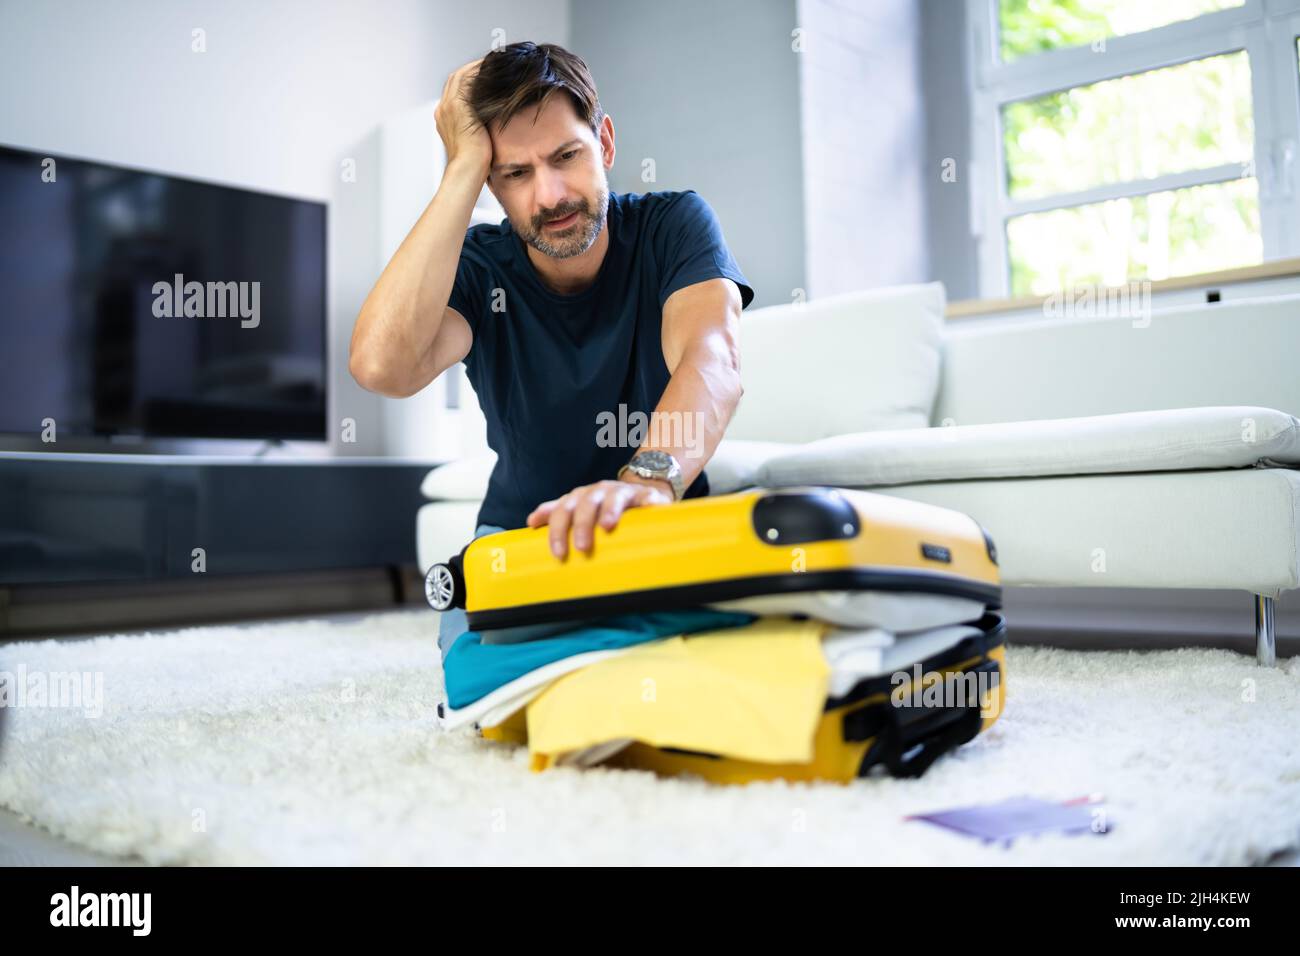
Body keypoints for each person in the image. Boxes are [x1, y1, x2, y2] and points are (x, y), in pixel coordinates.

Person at [350, 43, 754, 651]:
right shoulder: (479, 268)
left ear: (606, 143)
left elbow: (712, 357)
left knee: (705, 667)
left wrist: (644, 483)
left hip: (656, 517)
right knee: (502, 688)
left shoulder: (674, 225)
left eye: (567, 155)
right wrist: (462, 168)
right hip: (519, 536)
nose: (550, 196)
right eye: (515, 173)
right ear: (492, 182)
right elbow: (383, 367)